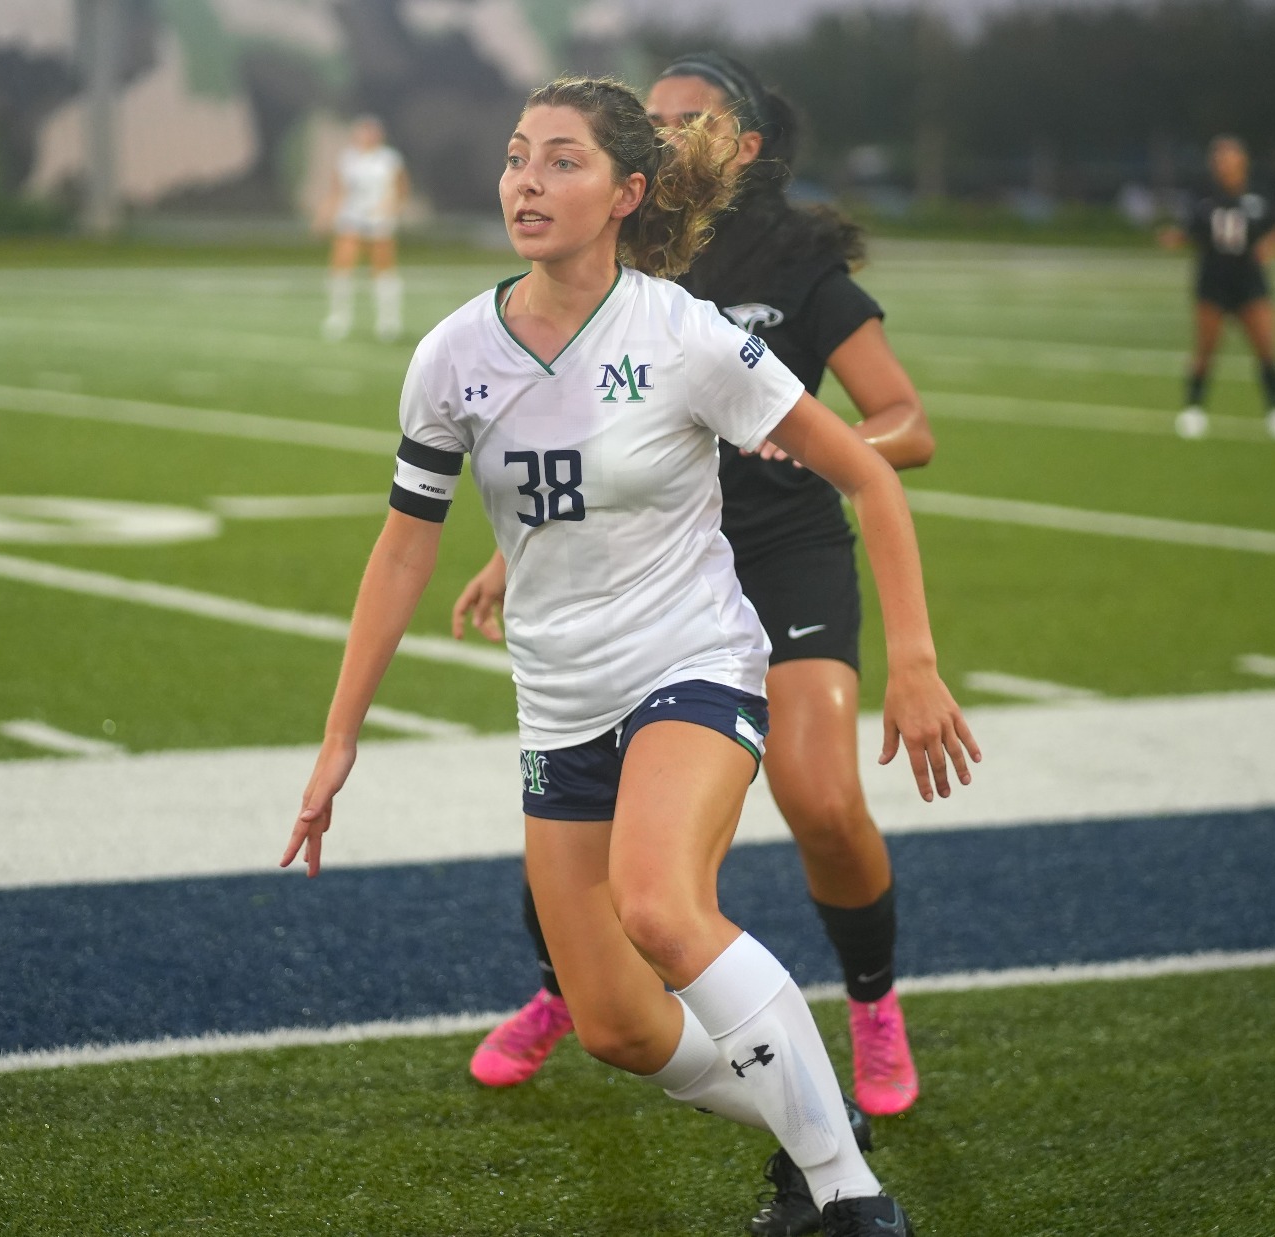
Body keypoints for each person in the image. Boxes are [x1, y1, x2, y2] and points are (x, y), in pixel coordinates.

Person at [280, 76, 979, 1237]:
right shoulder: (452, 352)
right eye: (516, 157)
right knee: (612, 1023)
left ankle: (852, 1206)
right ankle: (813, 1129)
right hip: (559, 703)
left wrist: (911, 658)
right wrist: (339, 737)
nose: (527, 181)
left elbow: (864, 469)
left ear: (626, 194)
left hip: (692, 664)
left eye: (561, 161)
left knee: (660, 904)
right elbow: (402, 553)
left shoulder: (681, 332)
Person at [455, 51, 936, 1198]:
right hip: (655, 563)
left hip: (783, 546)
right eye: (651, 124)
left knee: (819, 796)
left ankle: (869, 1001)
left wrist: (799, 435)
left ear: (741, 145)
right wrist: (513, 546)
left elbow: (903, 424)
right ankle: (576, 988)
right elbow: (574, 440)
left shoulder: (801, 268)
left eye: (687, 122)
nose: (664, 140)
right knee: (593, 808)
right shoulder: (615, 255)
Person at [1159, 135, 1275, 442]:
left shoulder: (1258, 194)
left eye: (1230, 158)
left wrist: (1270, 248)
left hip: (1250, 281)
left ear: (1242, 161)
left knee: (1266, 347)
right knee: (1205, 350)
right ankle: (1193, 409)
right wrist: (1175, 238)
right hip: (1213, 281)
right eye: (1219, 159)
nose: (1224, 165)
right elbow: (1192, 231)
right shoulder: (1205, 196)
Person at [316, 115, 410, 342]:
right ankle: (339, 318)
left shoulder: (389, 159)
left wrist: (391, 209)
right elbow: (337, 190)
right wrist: (325, 214)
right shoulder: (348, 159)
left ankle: (388, 322)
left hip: (379, 219)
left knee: (383, 269)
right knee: (341, 267)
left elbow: (401, 188)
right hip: (352, 217)